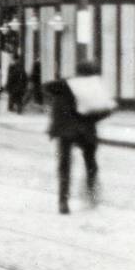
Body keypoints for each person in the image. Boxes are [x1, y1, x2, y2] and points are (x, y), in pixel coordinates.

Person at [44, 62, 114, 214]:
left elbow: (48, 87)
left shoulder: (65, 84)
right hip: (86, 130)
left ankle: (63, 202)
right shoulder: (95, 88)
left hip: (65, 131)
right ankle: (92, 195)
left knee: (64, 165)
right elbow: (106, 110)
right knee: (90, 163)